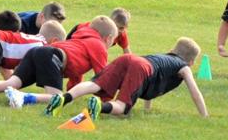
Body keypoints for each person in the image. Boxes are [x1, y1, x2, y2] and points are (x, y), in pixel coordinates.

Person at [0, 16, 116, 106]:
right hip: (52, 56)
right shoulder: (99, 45)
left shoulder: (80, 36)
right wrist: (106, 103)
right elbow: (103, 78)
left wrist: (73, 93)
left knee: (10, 83)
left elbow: (76, 73)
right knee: (57, 97)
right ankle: (24, 98)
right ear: (108, 38)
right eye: (113, 41)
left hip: (38, 52)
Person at [44, 37, 208, 121]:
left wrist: (147, 108)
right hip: (141, 68)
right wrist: (204, 116)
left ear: (171, 49)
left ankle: (63, 98)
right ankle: (100, 107)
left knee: (95, 84)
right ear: (192, 62)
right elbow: (195, 93)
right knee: (122, 108)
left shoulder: (163, 57)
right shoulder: (184, 67)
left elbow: (150, 86)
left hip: (130, 59)